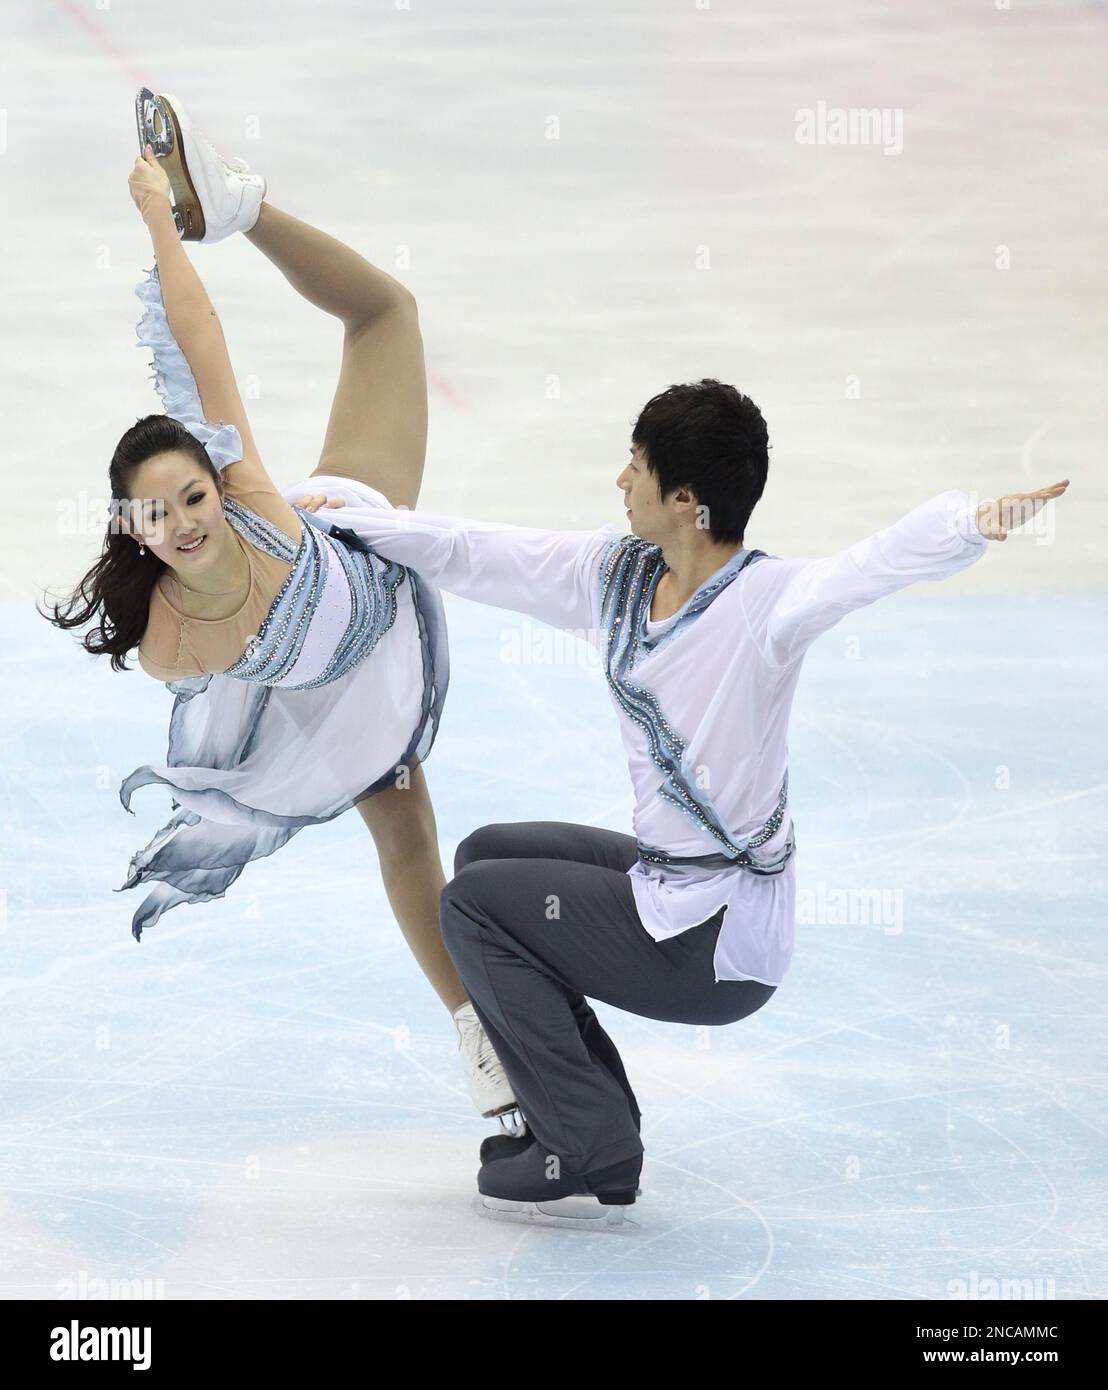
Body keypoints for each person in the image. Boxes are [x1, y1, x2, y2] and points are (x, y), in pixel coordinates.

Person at [294, 382, 1068, 1228]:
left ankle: (581, 1142)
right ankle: (597, 1120)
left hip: (720, 941)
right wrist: (352, 523)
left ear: (686, 501)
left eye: (636, 467)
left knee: (473, 908)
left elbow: (865, 568)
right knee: (486, 856)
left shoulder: (765, 607)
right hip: (671, 886)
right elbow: (485, 552)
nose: (619, 481)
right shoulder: (622, 576)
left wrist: (968, 525)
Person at [38, 89, 518, 1128]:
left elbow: (193, 330)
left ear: (218, 482)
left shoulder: (245, 496)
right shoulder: (165, 642)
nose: (187, 521)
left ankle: (236, 205)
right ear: (135, 532)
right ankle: (482, 1037)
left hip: (355, 559)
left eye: (195, 495)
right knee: (405, 835)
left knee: (385, 314)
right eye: (159, 516)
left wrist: (162, 215)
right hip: (335, 682)